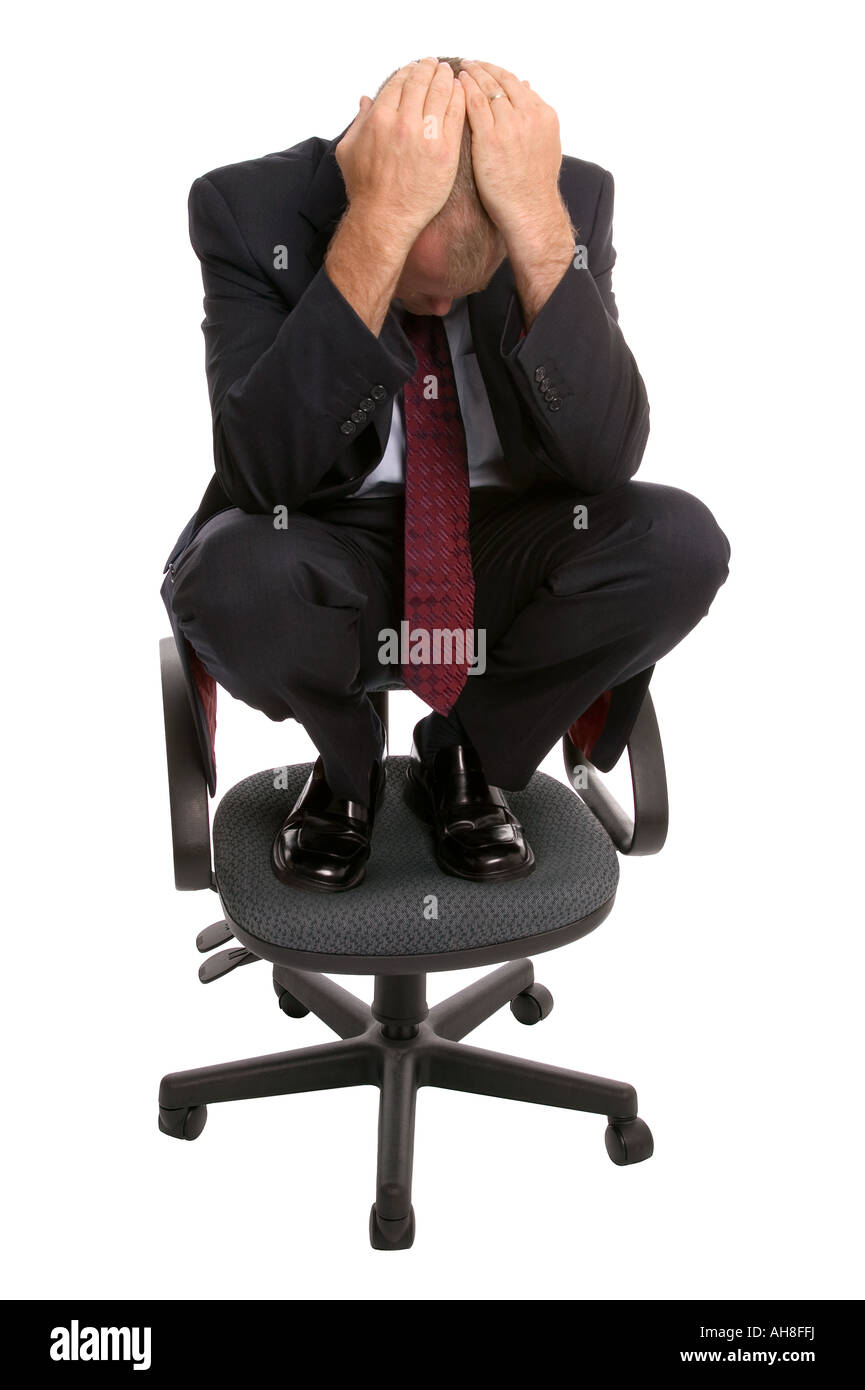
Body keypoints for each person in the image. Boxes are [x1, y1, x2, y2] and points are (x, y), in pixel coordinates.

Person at [160, 55, 731, 893]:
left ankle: (467, 759)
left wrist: (537, 226)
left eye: (460, 290)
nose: (436, 311)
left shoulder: (567, 198)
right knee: (238, 571)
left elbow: (603, 460)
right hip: (318, 534)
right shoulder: (246, 208)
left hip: (506, 540)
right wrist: (378, 233)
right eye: (416, 289)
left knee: (678, 541)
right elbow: (262, 474)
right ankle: (345, 770)